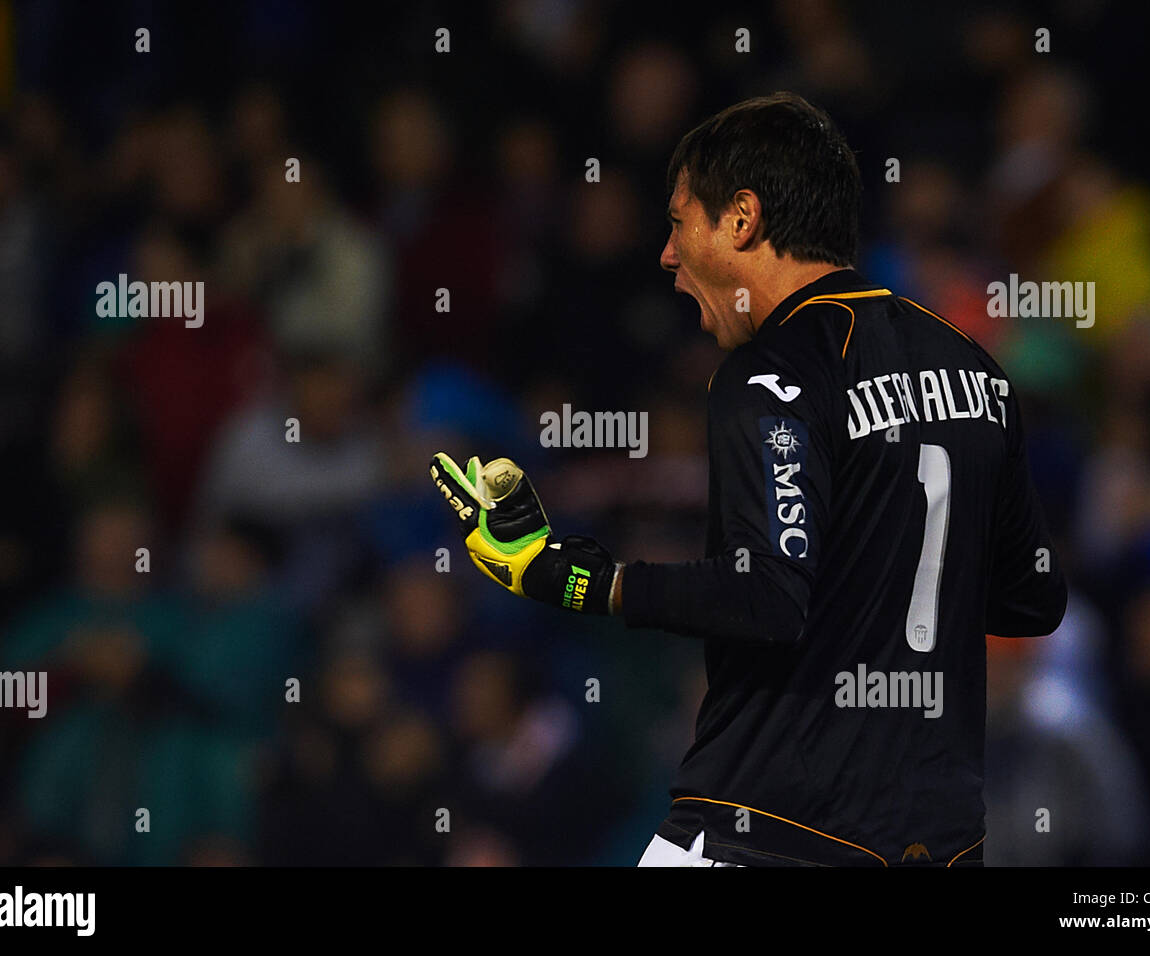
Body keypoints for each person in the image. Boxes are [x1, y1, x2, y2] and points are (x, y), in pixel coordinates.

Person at [431, 92, 1067, 867]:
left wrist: (580, 582)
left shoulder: (769, 374)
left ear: (740, 218)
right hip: (937, 838)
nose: (667, 255)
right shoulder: (973, 367)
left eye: (677, 220)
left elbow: (767, 596)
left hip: (768, 824)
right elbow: (1033, 600)